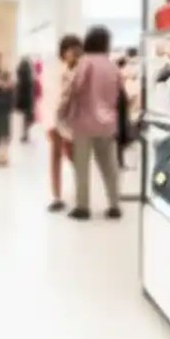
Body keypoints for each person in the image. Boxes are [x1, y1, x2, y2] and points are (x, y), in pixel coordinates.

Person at [59, 25, 122, 220]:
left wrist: (64, 111)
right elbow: (119, 92)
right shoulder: (112, 65)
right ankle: (114, 205)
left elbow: (75, 88)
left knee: (82, 166)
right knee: (109, 166)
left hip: (84, 121)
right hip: (108, 123)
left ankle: (83, 207)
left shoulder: (86, 62)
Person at [45, 34, 82, 213]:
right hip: (56, 120)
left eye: (75, 50)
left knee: (75, 158)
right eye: (69, 50)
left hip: (75, 123)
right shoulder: (56, 71)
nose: (72, 54)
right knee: (55, 158)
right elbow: (50, 97)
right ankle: (56, 196)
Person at [15, 56, 36, 143]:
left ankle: (24, 134)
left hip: (21, 99)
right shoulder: (30, 77)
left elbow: (18, 89)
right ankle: (25, 134)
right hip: (29, 100)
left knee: (22, 119)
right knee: (27, 118)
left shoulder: (20, 75)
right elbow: (32, 90)